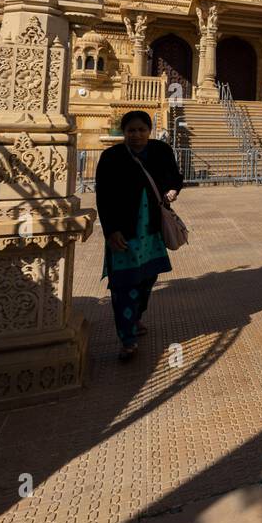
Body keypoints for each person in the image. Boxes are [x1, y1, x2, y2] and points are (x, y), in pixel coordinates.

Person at [96, 110, 184, 361]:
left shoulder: (160, 151)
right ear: (123, 133)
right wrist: (111, 230)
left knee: (147, 279)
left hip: (151, 229)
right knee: (123, 284)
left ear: (150, 130)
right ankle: (128, 339)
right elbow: (103, 196)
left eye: (141, 130)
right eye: (131, 131)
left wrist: (173, 190)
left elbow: (176, 177)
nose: (136, 135)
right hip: (124, 231)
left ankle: (135, 316)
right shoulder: (111, 157)